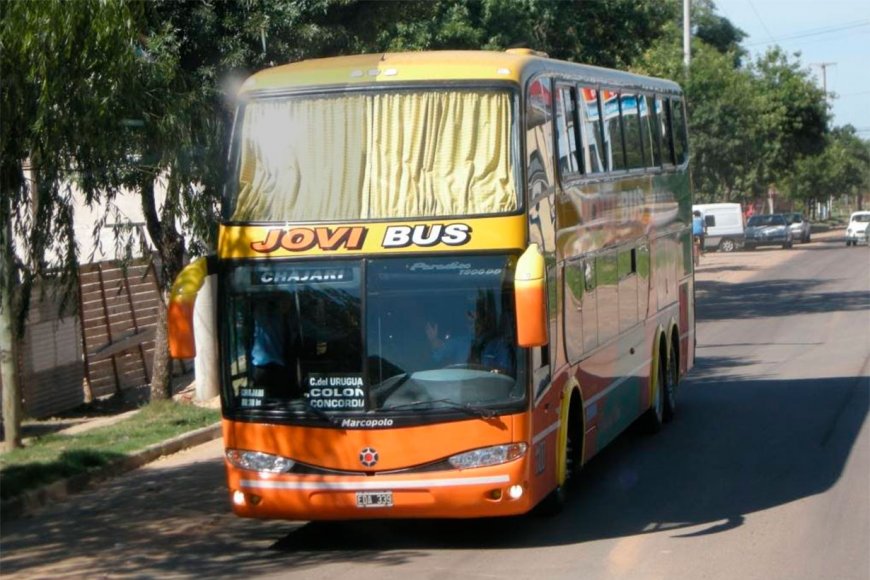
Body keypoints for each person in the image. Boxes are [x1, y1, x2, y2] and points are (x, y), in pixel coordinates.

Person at [425, 294, 514, 374]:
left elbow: (505, 372)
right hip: (461, 388)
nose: (474, 326)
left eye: (477, 322)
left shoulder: (498, 345)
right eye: (470, 323)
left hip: (488, 389)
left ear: (484, 321)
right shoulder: (459, 342)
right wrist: (434, 341)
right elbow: (437, 358)